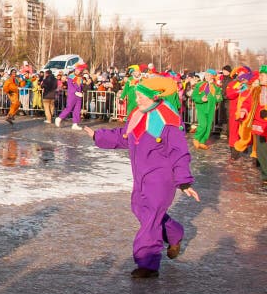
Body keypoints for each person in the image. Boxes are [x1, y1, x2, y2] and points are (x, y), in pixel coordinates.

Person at [84, 76, 200, 278]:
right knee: (141, 209)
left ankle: (147, 263)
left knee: (150, 217)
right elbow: (123, 136)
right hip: (141, 176)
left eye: (140, 96)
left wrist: (184, 181)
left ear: (154, 96)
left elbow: (179, 151)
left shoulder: (168, 120)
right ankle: (174, 233)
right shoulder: (138, 115)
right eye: (136, 95)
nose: (136, 99)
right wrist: (98, 136)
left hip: (161, 179)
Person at [235, 65, 267, 183]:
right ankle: (265, 175)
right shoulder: (256, 89)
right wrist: (244, 109)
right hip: (258, 123)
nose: (260, 77)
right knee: (261, 150)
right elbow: (248, 101)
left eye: (263, 75)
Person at [191, 69, 222, 150]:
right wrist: (201, 99)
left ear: (213, 76)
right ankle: (197, 138)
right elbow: (194, 96)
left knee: (208, 127)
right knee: (203, 124)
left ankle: (202, 141)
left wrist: (218, 98)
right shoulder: (199, 85)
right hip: (201, 108)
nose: (207, 76)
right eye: (206, 75)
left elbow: (219, 98)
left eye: (209, 75)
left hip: (211, 108)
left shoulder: (216, 87)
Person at [55, 62, 87, 130]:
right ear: (75, 69)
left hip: (79, 96)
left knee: (77, 109)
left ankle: (75, 124)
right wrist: (75, 92)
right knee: (69, 108)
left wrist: (82, 91)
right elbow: (70, 86)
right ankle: (59, 118)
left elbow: (81, 86)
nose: (78, 71)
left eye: (80, 70)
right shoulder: (71, 76)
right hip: (72, 95)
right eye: (77, 70)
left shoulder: (81, 78)